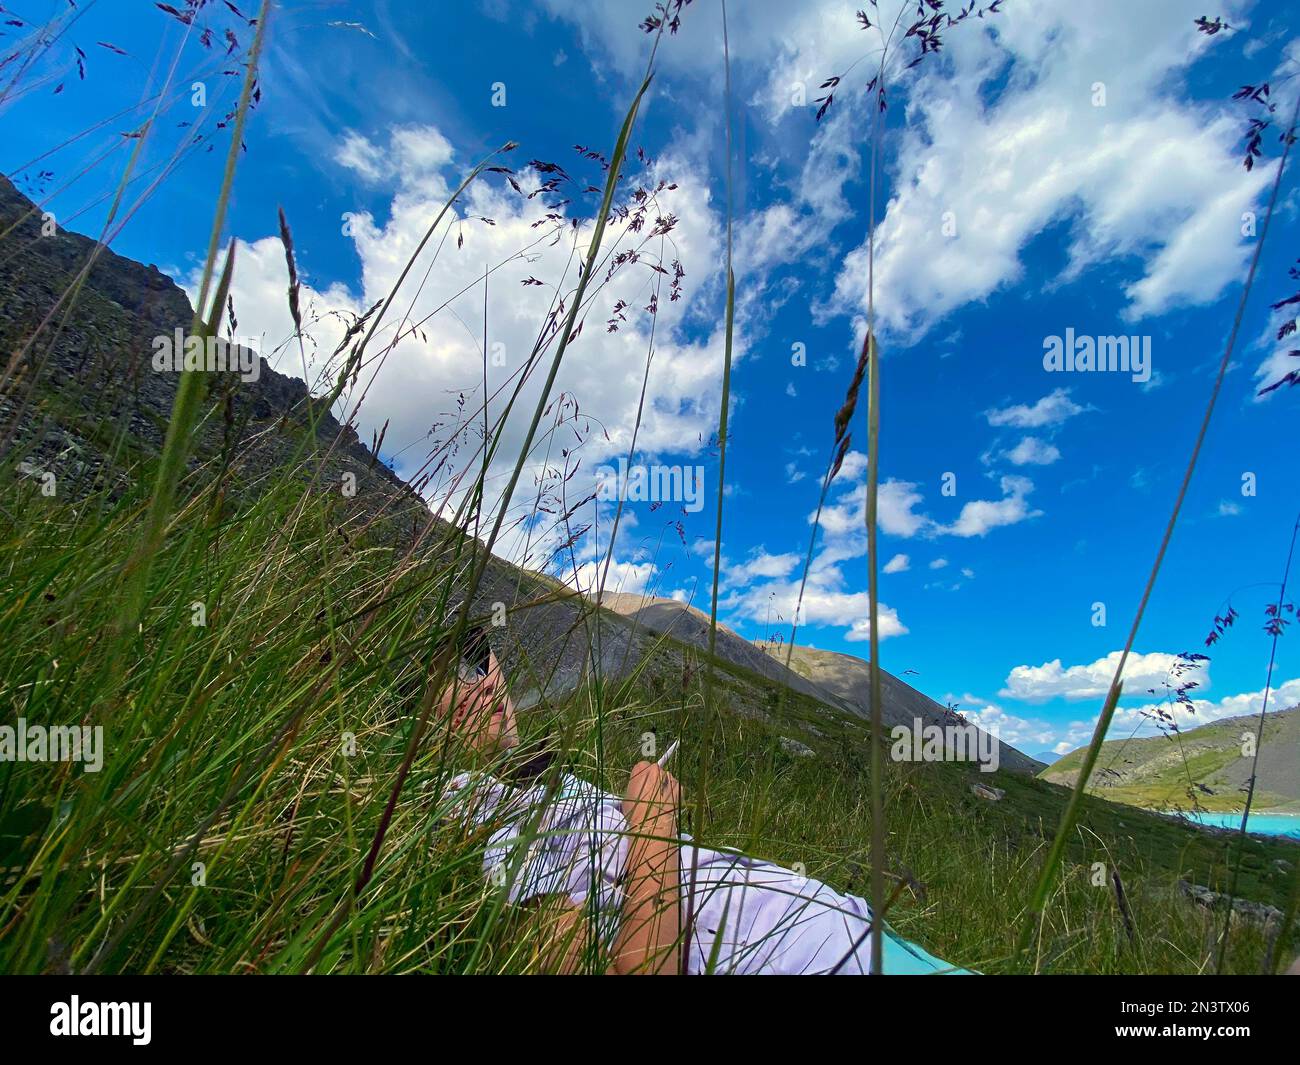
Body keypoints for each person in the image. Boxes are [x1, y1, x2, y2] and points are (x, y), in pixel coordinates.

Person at [433, 645, 970, 975]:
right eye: (455, 673)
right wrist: (652, 823)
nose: (482, 682)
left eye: (481, 659)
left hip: (849, 930)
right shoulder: (492, 836)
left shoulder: (546, 787)